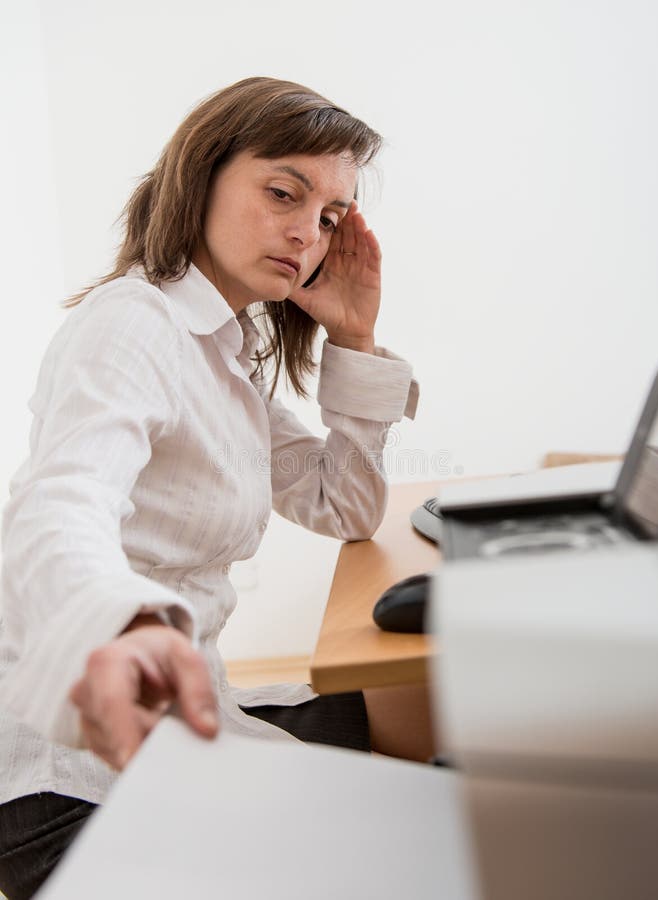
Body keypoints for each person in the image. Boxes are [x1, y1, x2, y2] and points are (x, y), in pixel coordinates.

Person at [0, 76, 428, 899]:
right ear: (202, 175)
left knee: (412, 714)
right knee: (407, 838)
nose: (308, 233)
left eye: (330, 218)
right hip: (75, 791)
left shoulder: (221, 354)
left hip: (183, 728)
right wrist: (122, 625)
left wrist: (356, 336)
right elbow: (61, 504)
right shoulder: (134, 325)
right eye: (283, 194)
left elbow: (346, 504)